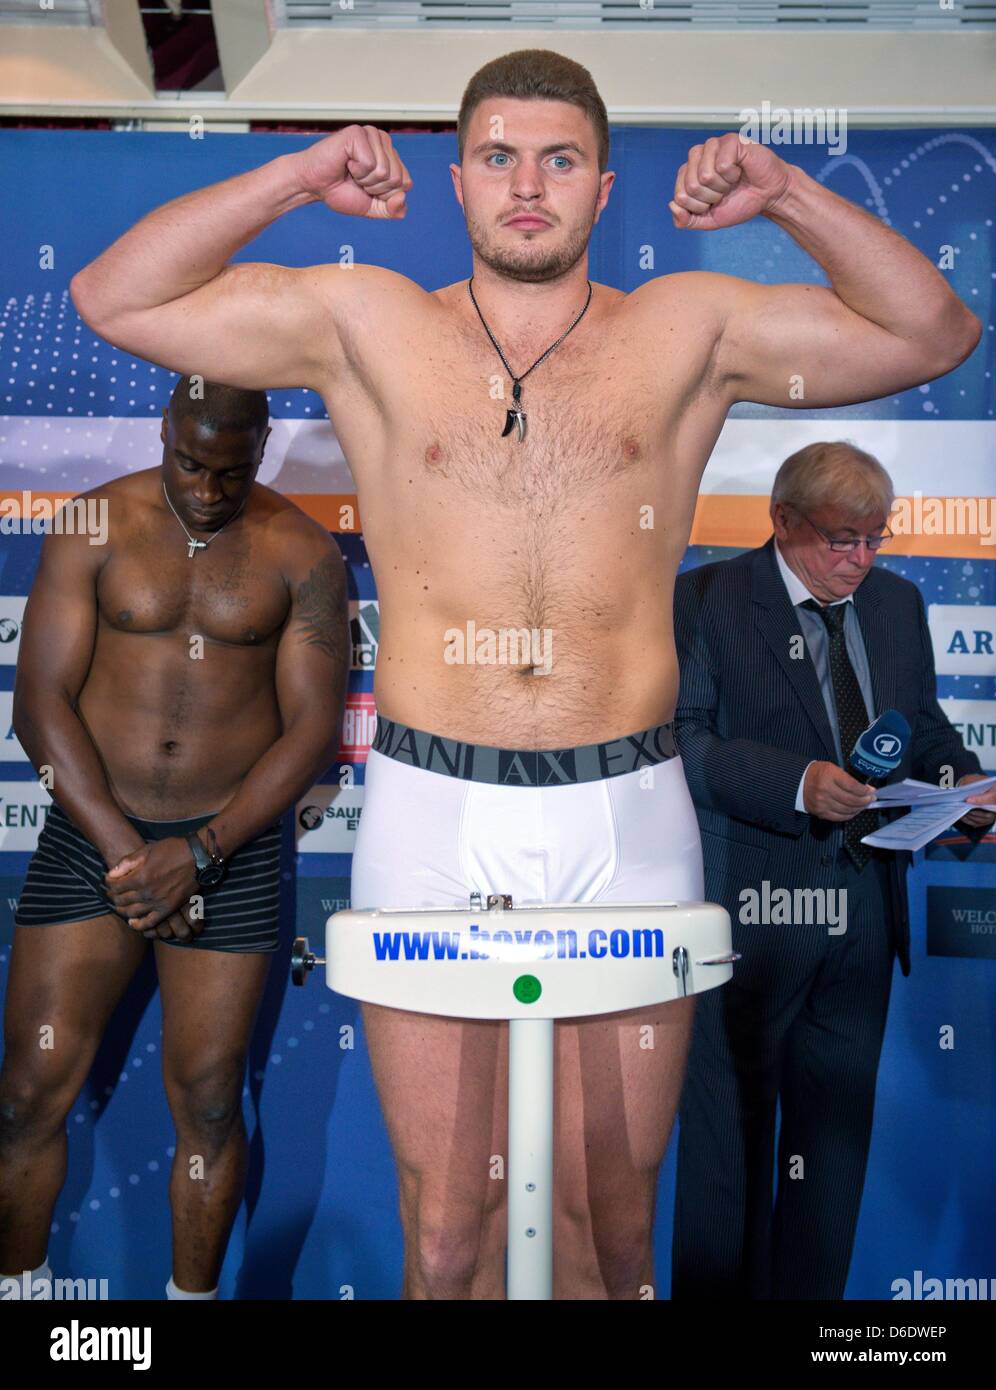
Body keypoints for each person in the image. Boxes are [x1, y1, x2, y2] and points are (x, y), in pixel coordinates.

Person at [66, 48, 981, 1299]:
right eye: (499, 156)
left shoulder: (689, 330)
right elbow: (117, 297)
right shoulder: (369, 324)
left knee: (612, 1224)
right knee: (449, 1226)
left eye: (560, 159)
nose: (528, 184)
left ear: (605, 187)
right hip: (437, 810)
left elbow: (935, 329)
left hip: (627, 808)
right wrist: (295, 172)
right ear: (459, 180)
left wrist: (785, 193)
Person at [0, 378, 349, 1300]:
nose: (206, 489)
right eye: (189, 463)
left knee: (206, 1100)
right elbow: (39, 703)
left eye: (230, 472)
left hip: (227, 853)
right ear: (163, 431)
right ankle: (22, 1293)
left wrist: (195, 854)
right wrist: (127, 853)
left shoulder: (303, 553)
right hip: (92, 836)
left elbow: (311, 732)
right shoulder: (93, 523)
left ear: (264, 445)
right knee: (31, 1088)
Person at [670, 440, 994, 1300]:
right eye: (840, 539)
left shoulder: (896, 603)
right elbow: (683, 744)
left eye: (875, 539)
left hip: (863, 922)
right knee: (724, 1163)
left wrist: (965, 784)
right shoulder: (704, 599)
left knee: (831, 1166)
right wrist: (797, 785)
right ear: (781, 521)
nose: (860, 560)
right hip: (746, 914)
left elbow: (920, 727)